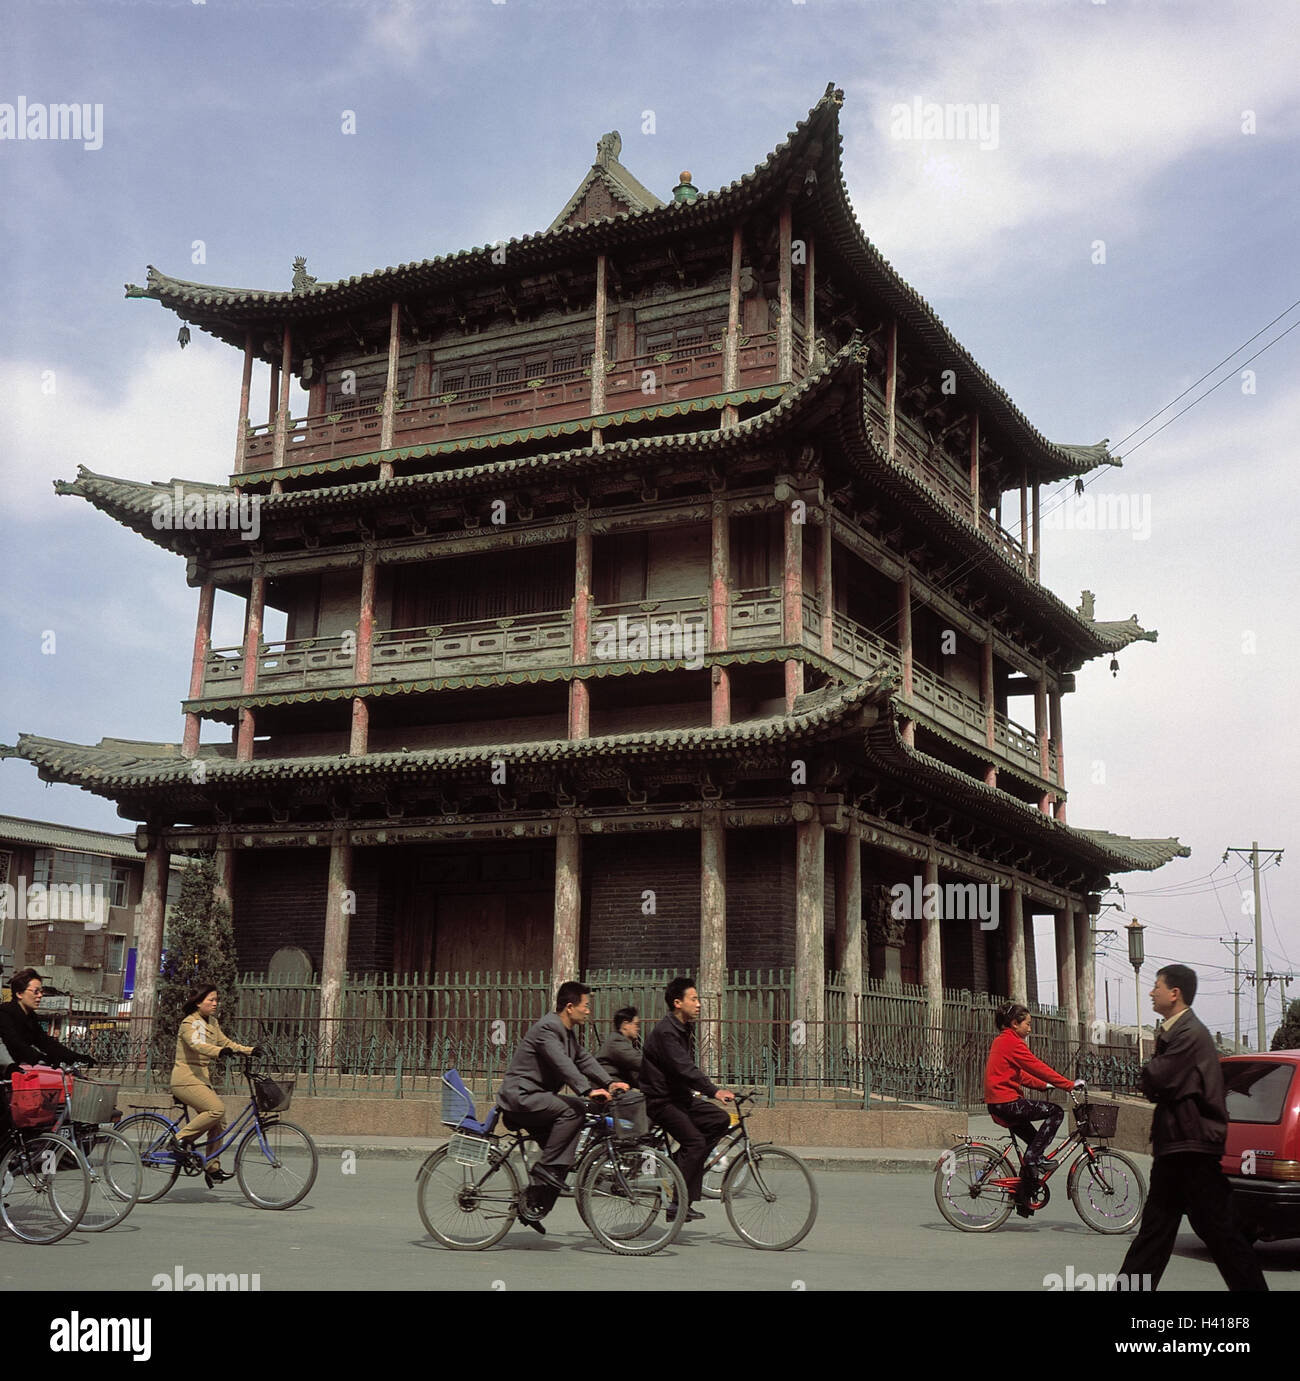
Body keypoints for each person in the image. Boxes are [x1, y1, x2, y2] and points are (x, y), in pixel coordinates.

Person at [1116, 964, 1267, 1291]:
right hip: (1179, 1148)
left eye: (1157, 986)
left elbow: (1156, 1077)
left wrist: (1152, 1074)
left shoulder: (1188, 1034)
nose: (1151, 992)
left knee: (1220, 1234)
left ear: (1175, 993)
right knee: (1157, 1234)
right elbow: (1159, 1083)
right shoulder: (1179, 1031)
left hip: (1191, 1149)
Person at [497, 981, 626, 1226]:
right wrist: (587, 1090)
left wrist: (609, 1083)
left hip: (537, 1098)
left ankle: (533, 1205)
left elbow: (584, 1059)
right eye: (585, 1006)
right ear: (569, 1007)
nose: (588, 1011)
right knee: (574, 1109)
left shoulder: (565, 1032)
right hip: (521, 1097)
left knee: (565, 1157)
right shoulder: (548, 1028)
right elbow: (562, 1064)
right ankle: (544, 1168)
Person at [640, 976, 734, 1221]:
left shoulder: (683, 1028)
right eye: (694, 999)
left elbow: (684, 1068)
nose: (699, 1003)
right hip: (660, 1101)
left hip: (679, 1097)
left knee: (719, 1120)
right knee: (694, 1143)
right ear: (677, 1003)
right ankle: (676, 1202)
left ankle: (684, 1167)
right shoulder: (666, 1032)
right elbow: (683, 1067)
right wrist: (714, 1091)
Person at [984, 1001, 1078, 1216]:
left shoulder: (1003, 1041)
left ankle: (1023, 1201)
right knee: (1056, 1112)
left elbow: (1020, 1075)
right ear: (1014, 1024)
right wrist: (1068, 1084)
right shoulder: (1012, 1042)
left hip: (999, 1102)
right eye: (1027, 1024)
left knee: (1034, 1146)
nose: (1030, 1028)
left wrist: (1045, 1085)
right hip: (1007, 1103)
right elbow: (1036, 1066)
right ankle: (1034, 1162)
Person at [171, 985, 255, 1188]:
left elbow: (227, 1042)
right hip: (185, 1079)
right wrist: (219, 1052)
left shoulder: (213, 1023)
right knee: (216, 1109)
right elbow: (196, 1045)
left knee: (219, 1121)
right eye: (211, 1000)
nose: (215, 1003)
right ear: (198, 1002)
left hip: (201, 1080)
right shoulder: (189, 1023)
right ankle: (179, 1139)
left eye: (216, 999)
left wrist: (250, 1050)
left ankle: (212, 1168)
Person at [0, 969, 96, 1070]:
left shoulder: (31, 1016)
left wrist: (75, 1057)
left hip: (16, 1070)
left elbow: (45, 1042)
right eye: (35, 992)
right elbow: (15, 1043)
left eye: (41, 992)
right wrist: (41, 1058)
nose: (40, 995)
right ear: (19, 993)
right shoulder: (4, 1013)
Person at [598, 1006, 642, 1089]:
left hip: (616, 1086)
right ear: (625, 1025)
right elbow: (640, 1062)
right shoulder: (616, 1042)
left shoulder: (621, 1041)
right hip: (608, 1090)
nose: (638, 1028)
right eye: (636, 1024)